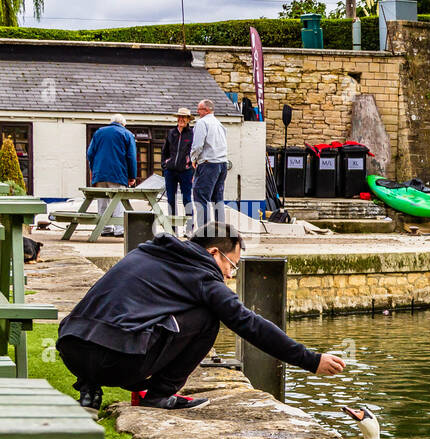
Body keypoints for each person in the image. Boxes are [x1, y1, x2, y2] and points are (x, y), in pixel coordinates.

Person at [57, 224, 346, 410]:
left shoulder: (147, 253)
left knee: (118, 316)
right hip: (121, 361)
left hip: (72, 349)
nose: (231, 275)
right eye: (232, 265)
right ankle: (159, 395)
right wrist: (310, 359)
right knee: (208, 317)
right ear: (214, 252)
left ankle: (89, 389)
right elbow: (248, 324)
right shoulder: (203, 275)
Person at [86, 114, 137, 238]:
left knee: (102, 202)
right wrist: (132, 176)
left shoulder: (99, 133)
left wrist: (94, 170)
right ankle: (120, 229)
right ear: (123, 124)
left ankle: (105, 228)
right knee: (118, 201)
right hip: (118, 173)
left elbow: (90, 153)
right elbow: (131, 157)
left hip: (100, 174)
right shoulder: (127, 134)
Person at [190, 99, 229, 230]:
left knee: (201, 198)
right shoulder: (219, 124)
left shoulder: (202, 122)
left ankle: (204, 232)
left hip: (208, 163)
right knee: (218, 199)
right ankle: (221, 231)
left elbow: (198, 145)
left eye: (199, 109)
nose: (197, 112)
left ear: (206, 110)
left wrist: (193, 158)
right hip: (222, 163)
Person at [161, 107, 195, 234]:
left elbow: (195, 152)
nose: (181, 119)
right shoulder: (171, 133)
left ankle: (189, 229)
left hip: (186, 171)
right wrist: (164, 165)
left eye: (184, 117)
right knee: (170, 199)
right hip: (170, 172)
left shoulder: (192, 134)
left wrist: (191, 167)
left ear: (188, 120)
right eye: (180, 117)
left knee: (187, 199)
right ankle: (172, 229)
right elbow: (165, 151)